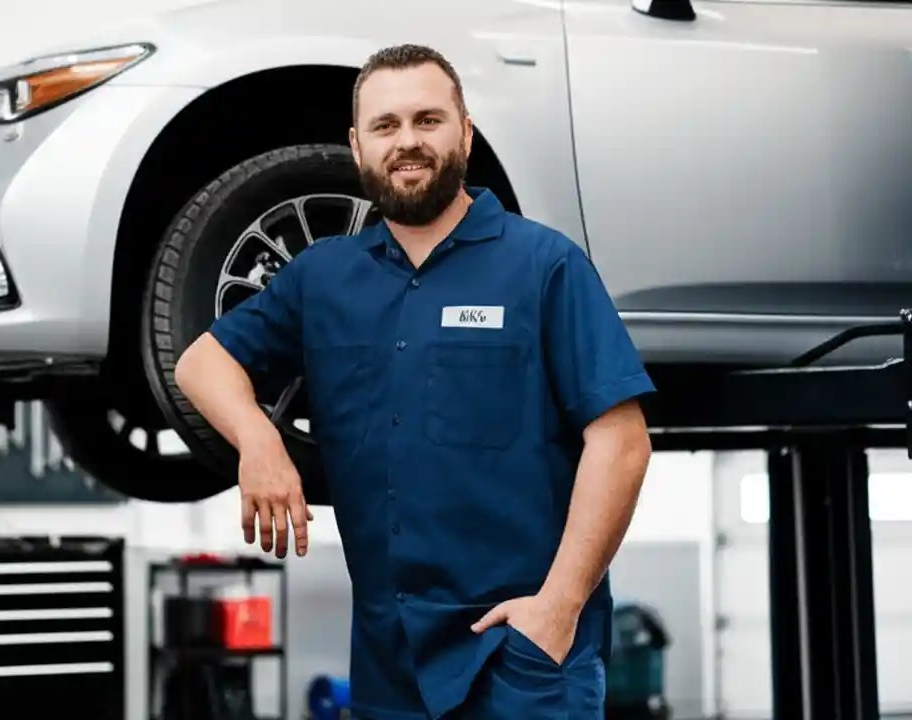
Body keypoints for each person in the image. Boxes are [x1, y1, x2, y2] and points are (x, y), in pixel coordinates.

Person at [173, 43, 655, 719]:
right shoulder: (324, 277)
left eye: (428, 120)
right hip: (389, 668)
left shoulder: (544, 265)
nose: (407, 142)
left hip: (521, 662)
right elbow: (200, 363)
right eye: (386, 125)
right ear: (357, 145)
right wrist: (259, 440)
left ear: (466, 132)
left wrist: (559, 607)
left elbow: (622, 441)